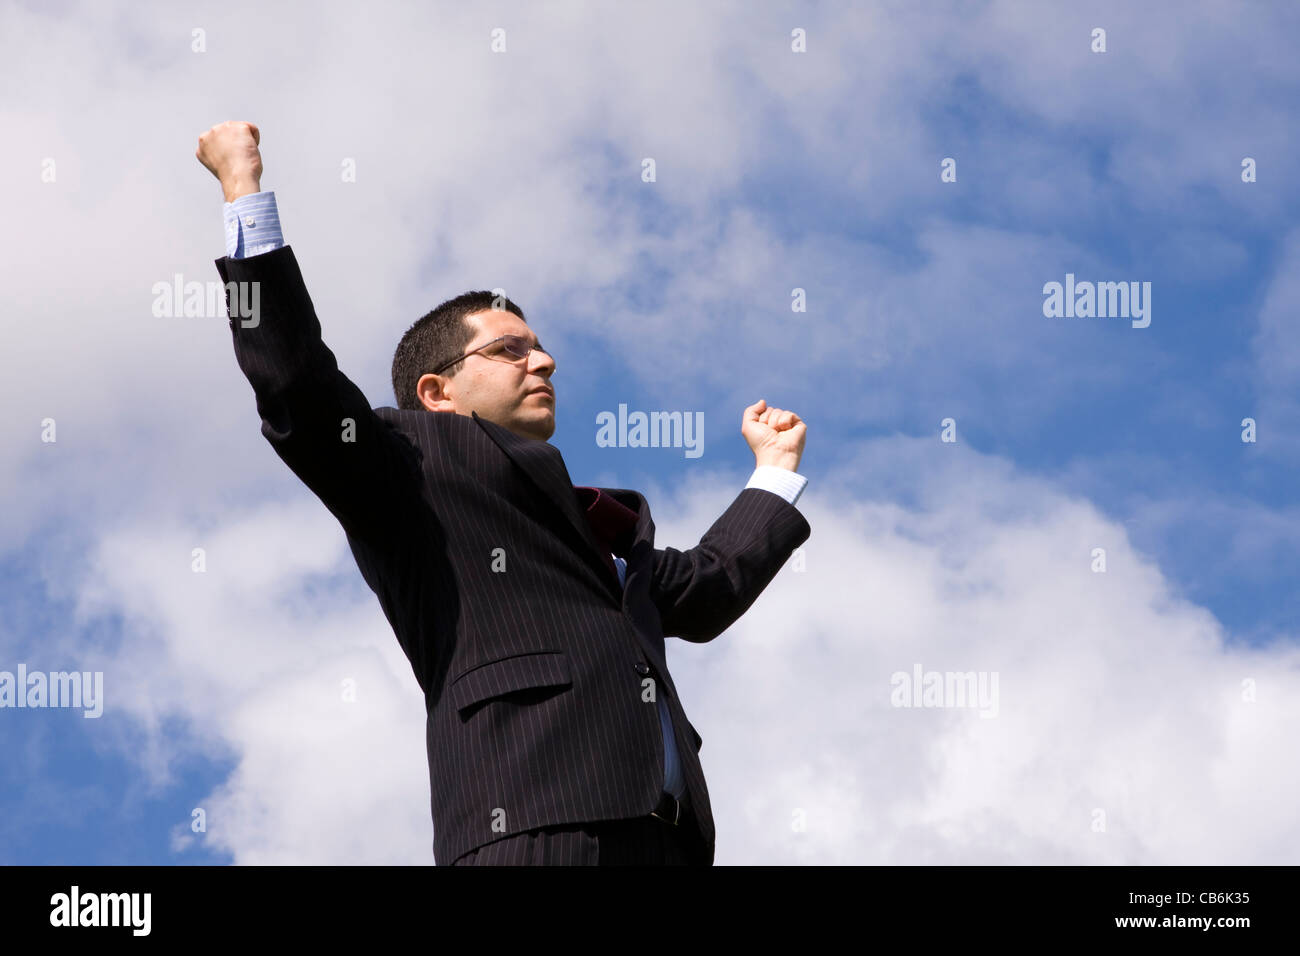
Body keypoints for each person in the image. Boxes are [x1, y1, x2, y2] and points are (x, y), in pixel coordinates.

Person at [196, 120, 812, 865]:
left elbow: (705, 592)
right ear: (438, 390)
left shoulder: (597, 529)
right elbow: (297, 385)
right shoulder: (405, 464)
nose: (545, 361)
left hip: (667, 843)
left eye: (543, 347)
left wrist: (774, 472)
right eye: (510, 350)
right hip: (532, 827)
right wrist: (243, 191)